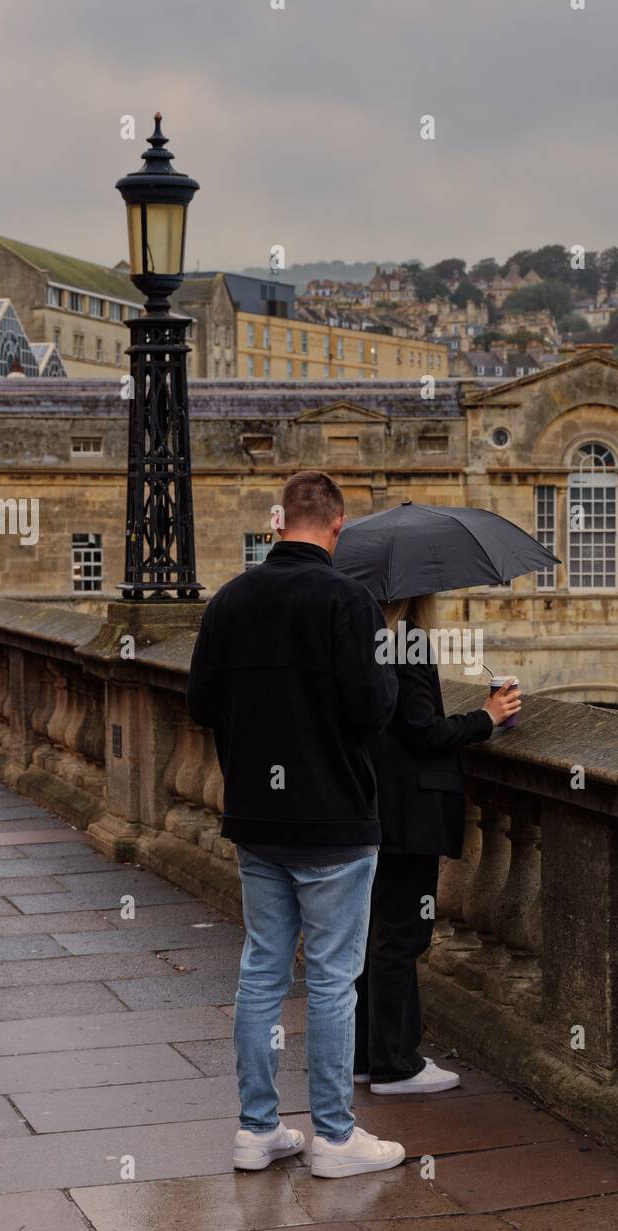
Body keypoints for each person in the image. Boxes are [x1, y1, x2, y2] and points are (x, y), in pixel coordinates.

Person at [187, 470, 406, 1179]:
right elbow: (374, 710)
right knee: (333, 981)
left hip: (256, 816)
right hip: (335, 820)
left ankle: (256, 1129)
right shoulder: (351, 602)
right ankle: (335, 1138)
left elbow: (200, 705)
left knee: (260, 972)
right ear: (337, 528)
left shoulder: (230, 599)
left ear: (279, 524)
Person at [355, 594, 521, 1093]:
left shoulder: (371, 643)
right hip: (410, 814)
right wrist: (487, 717)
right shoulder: (409, 643)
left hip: (377, 808)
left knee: (375, 933)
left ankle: (366, 1056)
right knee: (402, 936)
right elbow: (424, 732)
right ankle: (395, 1063)